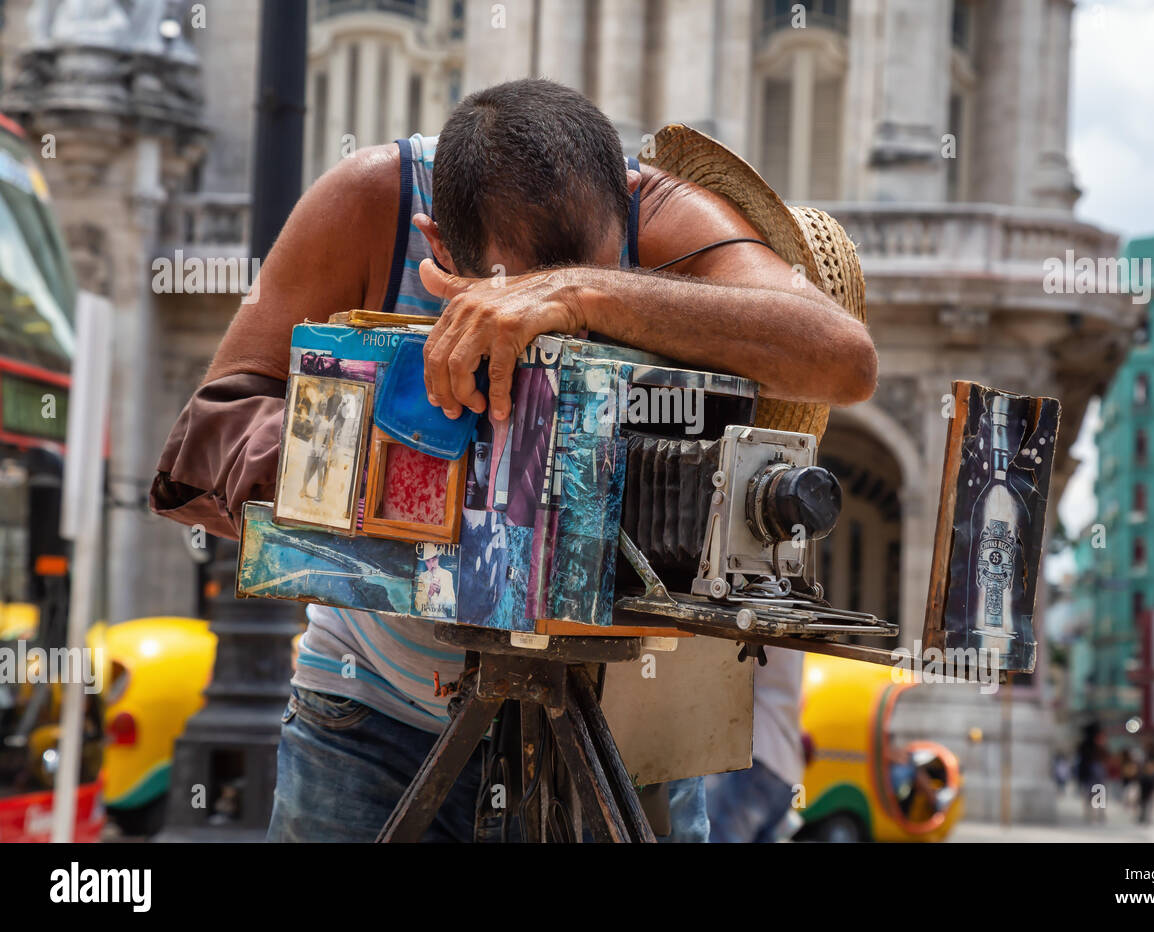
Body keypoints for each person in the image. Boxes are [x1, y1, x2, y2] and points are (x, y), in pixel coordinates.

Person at [150, 78, 877, 842]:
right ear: (436, 243)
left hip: (623, 729)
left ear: (628, 201)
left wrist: (583, 294)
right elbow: (210, 430)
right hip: (375, 723)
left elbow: (842, 359)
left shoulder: (666, 216)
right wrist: (391, 460)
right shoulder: (371, 201)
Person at [706, 648, 804, 843]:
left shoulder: (767, 622)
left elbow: (728, 664)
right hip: (787, 766)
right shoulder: (799, 629)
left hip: (760, 752)